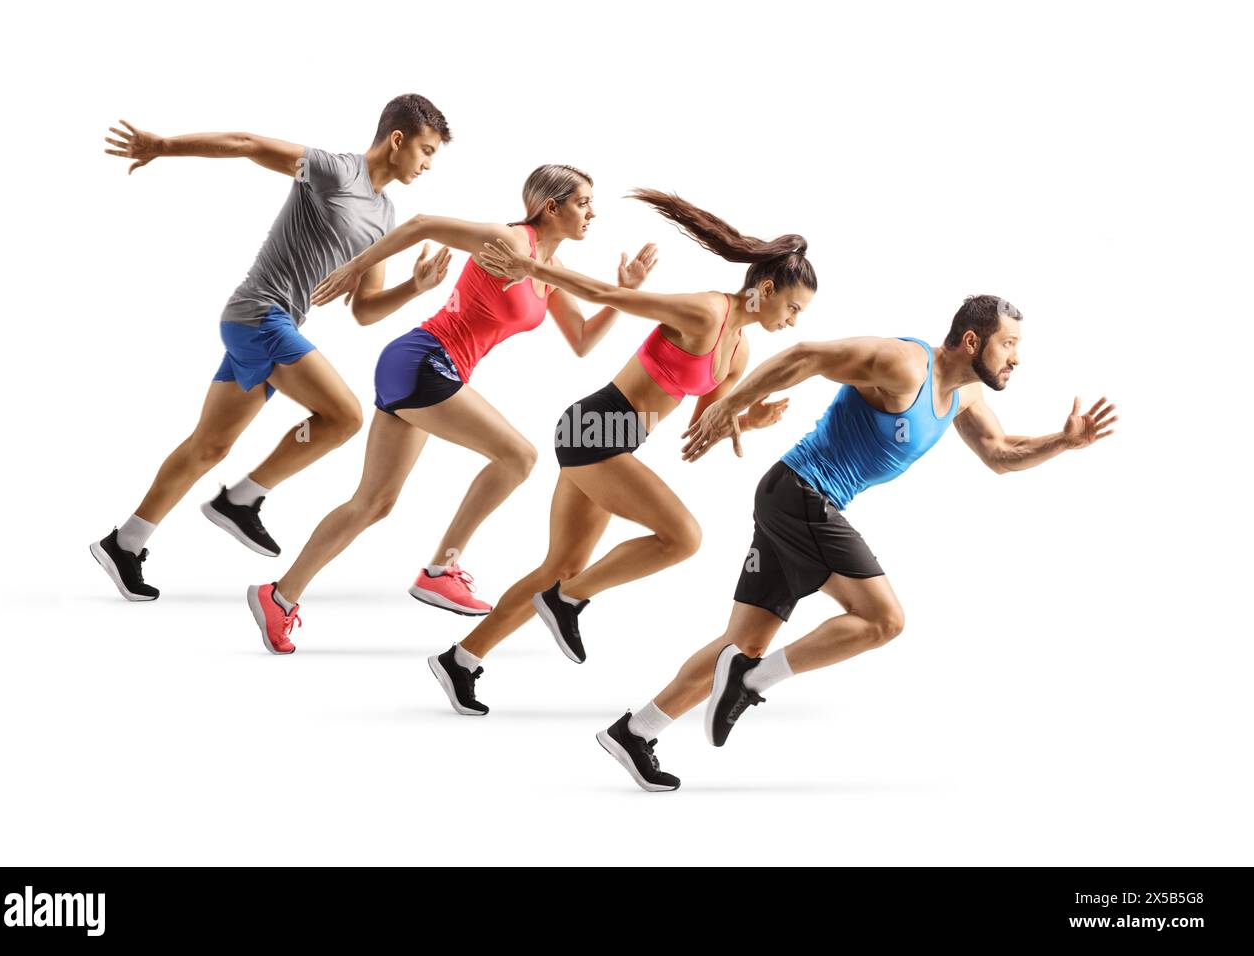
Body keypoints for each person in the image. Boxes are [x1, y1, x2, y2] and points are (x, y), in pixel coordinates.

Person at [597, 295, 1118, 791]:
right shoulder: (904, 365)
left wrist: (1063, 443)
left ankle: (636, 732)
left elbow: (1000, 453)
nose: (1017, 358)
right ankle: (752, 683)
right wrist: (730, 403)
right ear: (970, 341)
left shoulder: (966, 394)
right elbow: (807, 355)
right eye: (1008, 345)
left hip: (791, 497)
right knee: (883, 620)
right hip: (803, 492)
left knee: (742, 643)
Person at [426, 190, 815, 716]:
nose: (792, 321)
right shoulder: (706, 311)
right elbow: (612, 295)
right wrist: (527, 265)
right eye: (791, 307)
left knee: (559, 564)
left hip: (615, 439)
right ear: (765, 289)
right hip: (595, 426)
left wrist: (749, 419)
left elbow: (703, 425)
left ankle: (461, 661)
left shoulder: (739, 351)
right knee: (683, 537)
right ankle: (567, 600)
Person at [245, 166, 660, 651]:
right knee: (519, 457)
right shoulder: (508, 241)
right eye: (584, 201)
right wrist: (355, 269)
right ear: (552, 207)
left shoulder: (550, 274)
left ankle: (280, 596)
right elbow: (422, 223)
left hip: (427, 369)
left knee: (374, 503)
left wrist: (625, 292)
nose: (593, 212)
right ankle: (443, 567)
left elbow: (583, 340)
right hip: (424, 359)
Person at [90, 94, 453, 601]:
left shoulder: (385, 216)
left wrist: (414, 288)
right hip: (261, 315)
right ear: (398, 140)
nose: (428, 164)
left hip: (264, 324)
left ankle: (125, 542)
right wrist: (162, 145)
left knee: (209, 446)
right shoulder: (333, 170)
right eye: (426, 150)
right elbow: (248, 144)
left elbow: (365, 308)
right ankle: (243, 500)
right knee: (344, 417)